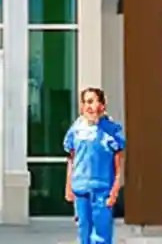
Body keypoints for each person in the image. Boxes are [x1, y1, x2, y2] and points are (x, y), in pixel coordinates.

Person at [64, 87, 125, 244]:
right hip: (80, 189)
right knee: (84, 231)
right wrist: (69, 186)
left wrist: (115, 191)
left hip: (102, 191)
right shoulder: (76, 130)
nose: (89, 106)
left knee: (101, 234)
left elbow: (118, 165)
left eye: (92, 101)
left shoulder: (111, 131)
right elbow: (72, 159)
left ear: (102, 105)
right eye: (85, 102)